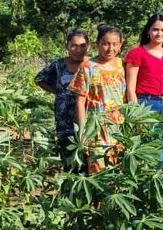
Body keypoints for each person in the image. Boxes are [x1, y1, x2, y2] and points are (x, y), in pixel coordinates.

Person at [68, 25, 126, 173]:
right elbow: (80, 102)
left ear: (120, 45)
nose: (110, 48)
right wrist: (83, 132)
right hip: (96, 127)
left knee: (118, 171)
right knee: (98, 171)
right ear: (98, 44)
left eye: (115, 44)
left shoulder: (123, 65)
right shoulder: (88, 67)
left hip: (119, 126)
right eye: (106, 44)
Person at [34, 29, 90, 172]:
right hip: (64, 116)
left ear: (88, 46)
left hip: (88, 115)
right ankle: (70, 180)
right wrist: (58, 92)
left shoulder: (92, 64)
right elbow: (39, 79)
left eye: (82, 45)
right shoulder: (58, 65)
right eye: (74, 45)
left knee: (89, 153)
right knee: (68, 152)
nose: (78, 49)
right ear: (67, 46)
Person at [125, 14, 163, 141]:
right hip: (147, 105)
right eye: (155, 29)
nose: (159, 33)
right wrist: (136, 113)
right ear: (148, 31)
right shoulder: (136, 54)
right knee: (150, 146)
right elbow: (130, 89)